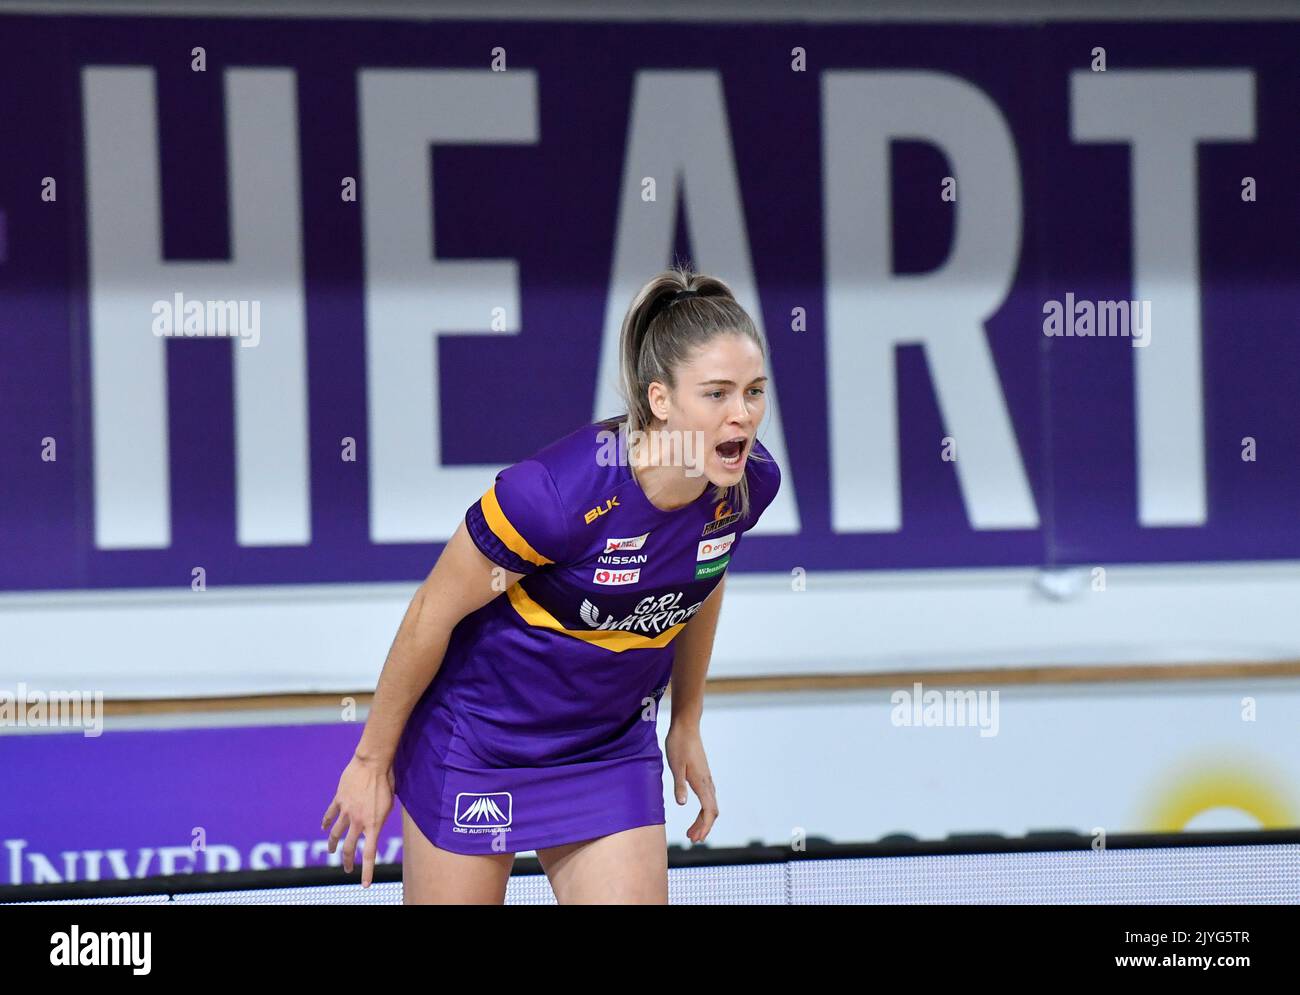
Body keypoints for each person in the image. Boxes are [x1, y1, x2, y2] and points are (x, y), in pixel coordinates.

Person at [321, 265, 781, 903]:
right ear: (660, 400)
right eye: (718, 394)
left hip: (607, 747)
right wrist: (371, 763)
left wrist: (687, 718)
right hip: (480, 739)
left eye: (754, 391)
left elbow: (702, 574)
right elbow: (432, 612)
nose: (742, 415)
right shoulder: (556, 496)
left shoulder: (747, 486)